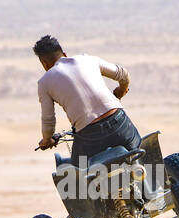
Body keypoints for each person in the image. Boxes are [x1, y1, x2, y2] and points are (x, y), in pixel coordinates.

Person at [33, 34, 140, 163]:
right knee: (141, 154)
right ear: (65, 54)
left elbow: (48, 121)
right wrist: (122, 90)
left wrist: (47, 140)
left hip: (89, 136)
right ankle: (156, 179)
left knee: (77, 174)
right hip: (119, 123)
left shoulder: (45, 82)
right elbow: (122, 74)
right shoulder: (87, 59)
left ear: (44, 64)